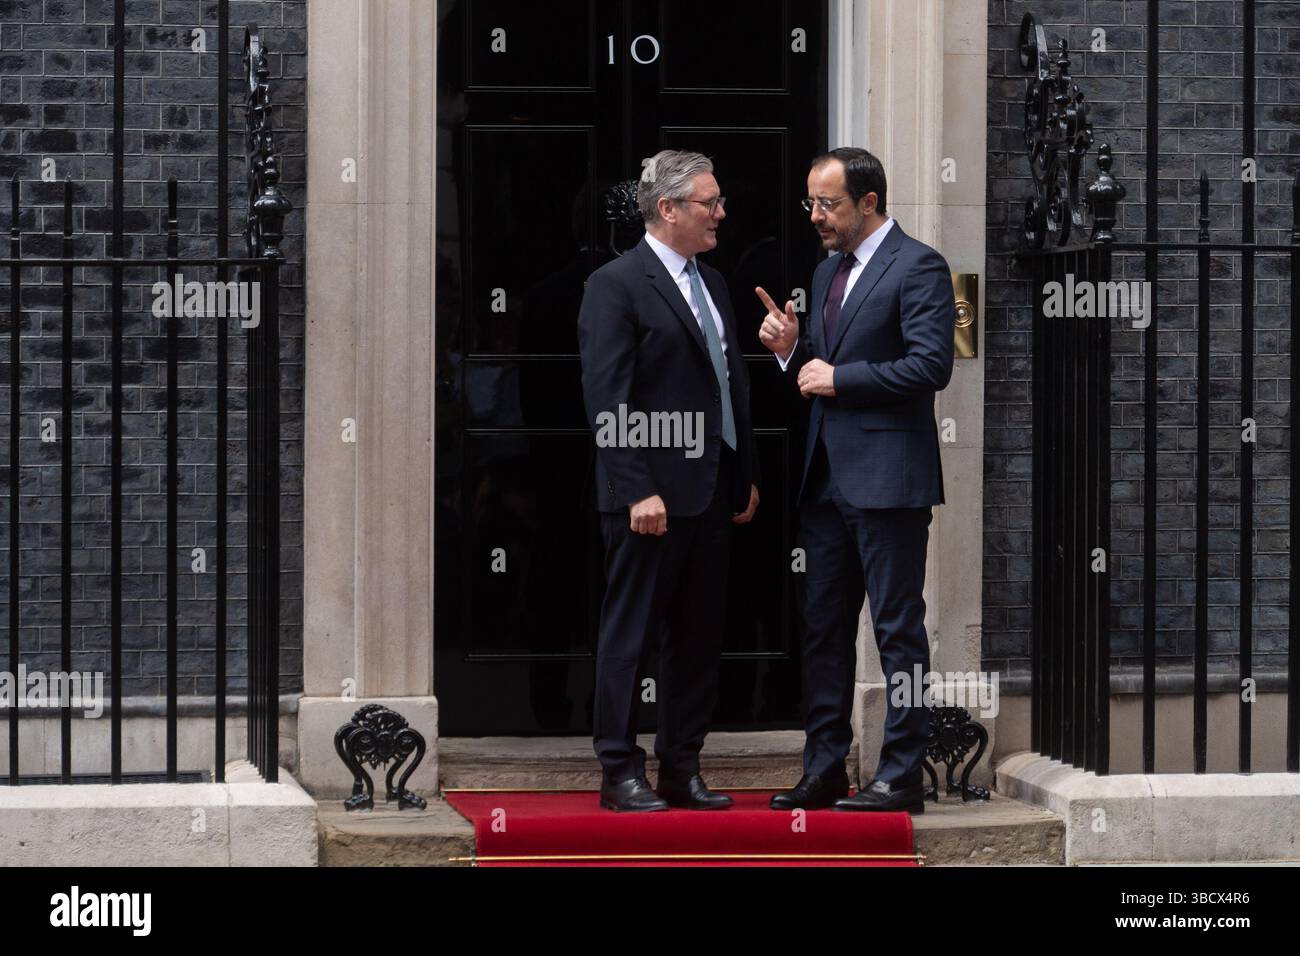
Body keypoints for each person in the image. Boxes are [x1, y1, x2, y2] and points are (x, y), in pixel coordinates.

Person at [756, 147, 954, 813]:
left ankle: (901, 773)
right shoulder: (827, 271)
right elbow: (822, 369)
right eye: (811, 202)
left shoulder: (918, 265)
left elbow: (930, 367)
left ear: (869, 202)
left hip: (890, 481)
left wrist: (838, 378)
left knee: (898, 629)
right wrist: (792, 353)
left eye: (829, 203)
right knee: (823, 629)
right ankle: (825, 767)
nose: (816, 215)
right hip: (827, 482)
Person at [578, 149, 760, 812]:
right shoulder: (616, 284)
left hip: (710, 491)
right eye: (708, 202)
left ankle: (681, 765)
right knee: (631, 634)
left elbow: (727, 382)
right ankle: (618, 770)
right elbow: (607, 395)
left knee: (697, 638)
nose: (721, 212)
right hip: (648, 496)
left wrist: (745, 474)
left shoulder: (711, 281)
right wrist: (635, 488)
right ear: (668, 209)